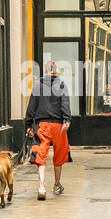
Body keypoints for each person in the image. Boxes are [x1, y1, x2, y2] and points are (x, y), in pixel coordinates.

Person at [24, 61, 72, 200]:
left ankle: (41, 187)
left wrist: (28, 125)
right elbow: (65, 104)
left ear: (45, 71)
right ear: (56, 71)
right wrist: (67, 120)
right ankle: (57, 184)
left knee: (41, 155)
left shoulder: (38, 85)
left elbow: (31, 107)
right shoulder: (61, 85)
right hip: (58, 126)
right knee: (60, 154)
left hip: (42, 125)